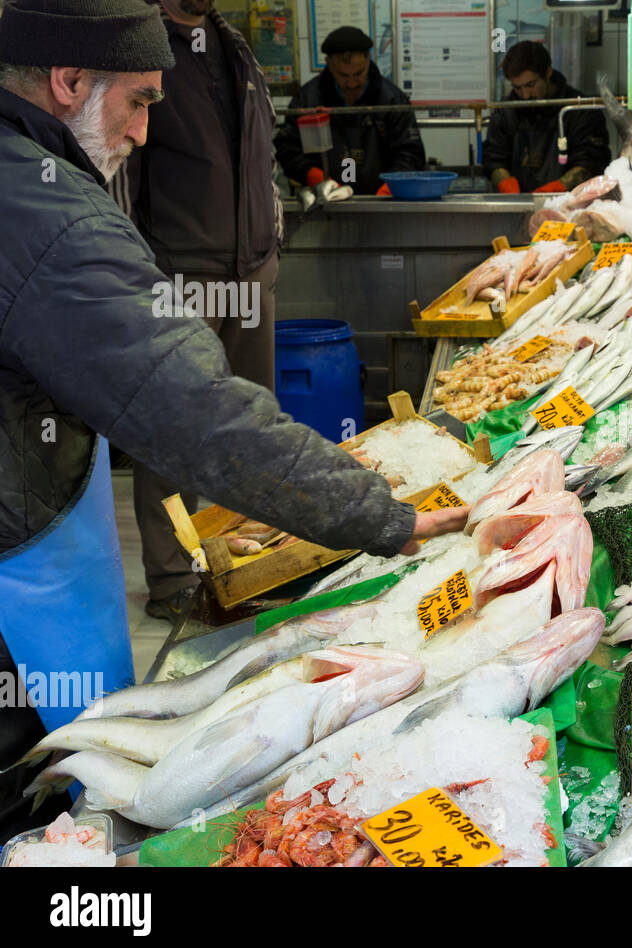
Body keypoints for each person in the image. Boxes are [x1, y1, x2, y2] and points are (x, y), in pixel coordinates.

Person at [0, 0, 466, 841]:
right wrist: (379, 517)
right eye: (139, 102)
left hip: (31, 510)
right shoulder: (54, 222)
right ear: (68, 82)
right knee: (36, 790)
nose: (145, 133)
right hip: (15, 560)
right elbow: (197, 414)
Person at [115, 0, 288, 622]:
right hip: (177, 274)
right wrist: (138, 271)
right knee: (173, 431)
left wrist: (270, 249)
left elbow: (263, 159)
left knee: (250, 422)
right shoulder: (137, 47)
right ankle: (174, 580)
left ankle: (244, 562)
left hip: (250, 273)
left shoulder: (235, 47)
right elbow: (116, 168)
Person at [274, 25, 426, 197]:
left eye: (359, 73)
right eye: (343, 75)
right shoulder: (308, 100)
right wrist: (314, 176)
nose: (352, 83)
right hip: (325, 202)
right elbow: (287, 148)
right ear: (329, 64)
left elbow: (411, 152)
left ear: (368, 59)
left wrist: (391, 186)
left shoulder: (392, 100)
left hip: (381, 202)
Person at [483, 40, 609, 195]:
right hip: (518, 203)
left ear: (548, 72)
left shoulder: (579, 110)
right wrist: (503, 180)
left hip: (568, 204)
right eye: (517, 88)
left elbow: (593, 160)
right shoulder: (506, 111)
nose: (525, 95)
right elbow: (493, 156)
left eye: (531, 85)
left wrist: (560, 187)